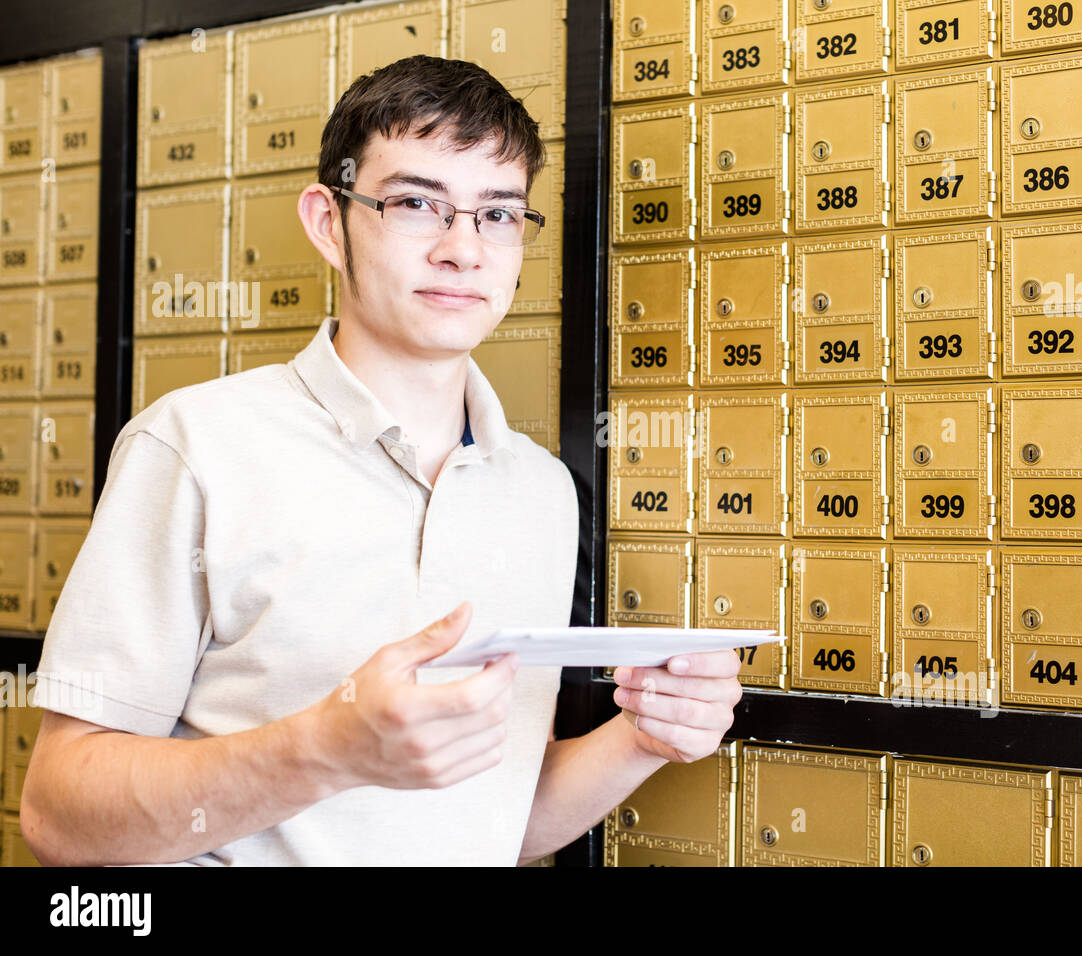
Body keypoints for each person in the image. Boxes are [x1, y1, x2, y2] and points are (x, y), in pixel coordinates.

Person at [20, 56, 741, 866]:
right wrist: (325, 749)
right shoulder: (194, 446)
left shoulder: (540, 491)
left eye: (498, 215)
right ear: (330, 221)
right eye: (416, 204)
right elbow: (59, 818)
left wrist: (647, 733)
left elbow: (492, 817)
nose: (463, 249)